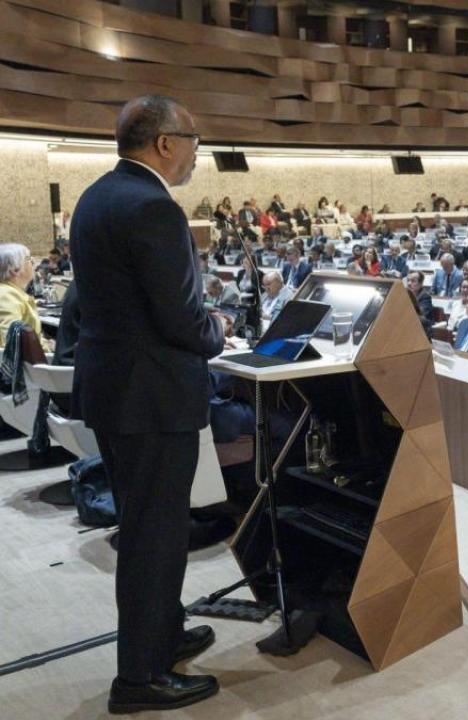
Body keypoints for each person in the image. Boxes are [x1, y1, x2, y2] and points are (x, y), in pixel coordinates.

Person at [71, 95, 224, 712]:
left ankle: (162, 635)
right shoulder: (154, 208)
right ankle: (138, 679)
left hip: (115, 390)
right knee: (154, 536)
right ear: (164, 142)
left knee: (147, 526)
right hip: (152, 396)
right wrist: (217, 329)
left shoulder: (96, 197)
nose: (195, 154)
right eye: (193, 140)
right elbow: (181, 318)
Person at [0, 244, 49, 352]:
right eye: (28, 259)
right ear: (15, 270)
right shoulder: (7, 296)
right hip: (31, 366)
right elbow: (11, 342)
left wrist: (46, 343)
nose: (33, 263)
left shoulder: (11, 292)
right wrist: (46, 348)